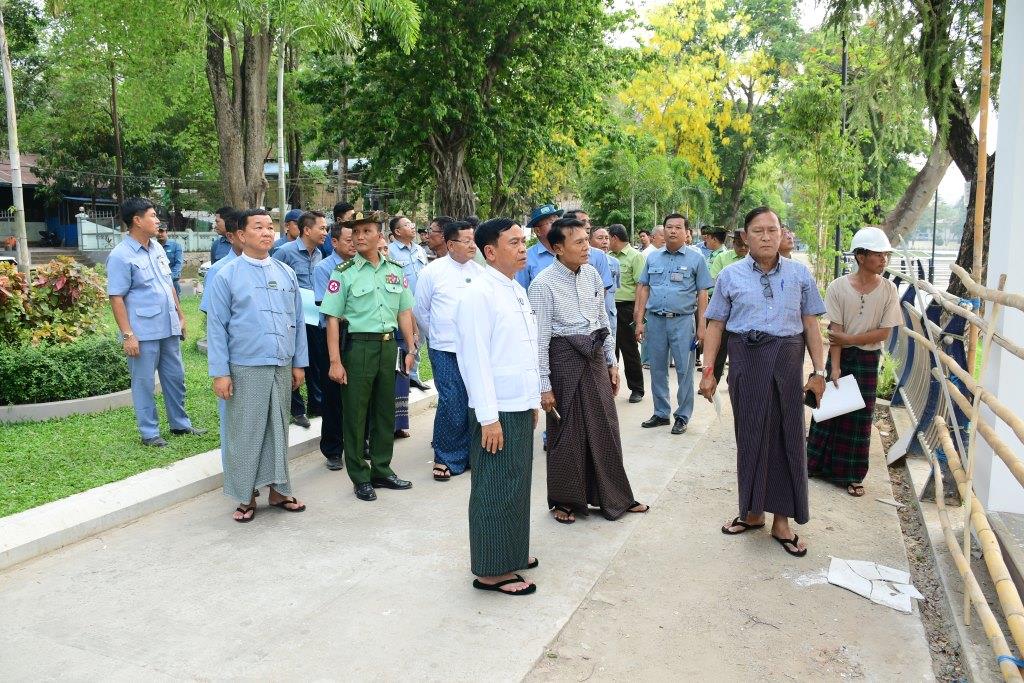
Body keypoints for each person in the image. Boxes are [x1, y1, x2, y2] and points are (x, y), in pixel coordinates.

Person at [699, 206, 827, 558]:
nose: (767, 237)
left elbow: (812, 325)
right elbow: (715, 326)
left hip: (787, 360)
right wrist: (709, 372)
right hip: (746, 361)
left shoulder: (801, 275)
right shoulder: (729, 276)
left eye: (773, 230)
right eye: (758, 231)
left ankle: (782, 521)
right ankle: (753, 512)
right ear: (745, 237)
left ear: (783, 233)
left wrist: (819, 372)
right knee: (750, 435)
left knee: (788, 438)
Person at [529, 218, 648, 524]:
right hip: (563, 360)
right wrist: (544, 386)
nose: (587, 247)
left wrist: (611, 362)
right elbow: (540, 340)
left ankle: (617, 497)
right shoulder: (542, 284)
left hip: (594, 356)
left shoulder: (593, 274)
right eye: (579, 242)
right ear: (558, 248)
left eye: (587, 240)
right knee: (567, 431)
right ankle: (566, 501)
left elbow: (603, 320)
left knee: (606, 426)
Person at [454, 217, 540, 596]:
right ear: (490, 251)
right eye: (514, 242)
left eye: (524, 241)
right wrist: (488, 418)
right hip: (497, 407)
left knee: (517, 482)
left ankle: (511, 552)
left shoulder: (514, 289)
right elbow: (474, 359)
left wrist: (533, 399)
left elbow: (524, 350)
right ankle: (491, 569)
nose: (523, 248)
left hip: (519, 401)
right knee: (494, 486)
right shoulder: (478, 294)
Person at [206, 209, 308, 522]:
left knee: (278, 429)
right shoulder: (226, 274)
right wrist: (220, 372)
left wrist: (299, 363)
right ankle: (245, 496)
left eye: (270, 226)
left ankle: (279, 491)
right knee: (245, 432)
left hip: (280, 363)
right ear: (240, 235)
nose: (266, 232)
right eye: (258, 227)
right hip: (244, 365)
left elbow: (298, 320)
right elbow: (216, 328)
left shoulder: (285, 272)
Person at [320, 211, 416, 502]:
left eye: (366, 231)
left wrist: (411, 349)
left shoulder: (395, 270)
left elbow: (404, 311)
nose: (359, 237)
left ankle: (382, 470)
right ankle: (360, 476)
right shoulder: (344, 272)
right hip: (358, 347)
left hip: (388, 347)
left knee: (385, 411)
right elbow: (332, 319)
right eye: (356, 232)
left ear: (379, 235)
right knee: (356, 413)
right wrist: (335, 361)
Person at [807, 226, 901, 497]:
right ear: (861, 256)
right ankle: (816, 465)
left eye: (886, 256)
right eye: (878, 255)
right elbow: (835, 332)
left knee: (860, 418)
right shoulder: (838, 287)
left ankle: (852, 475)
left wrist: (849, 339)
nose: (883, 260)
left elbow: (884, 332)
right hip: (842, 356)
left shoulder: (889, 290)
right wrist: (834, 367)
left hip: (869, 358)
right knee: (829, 410)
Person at [107, 198, 206, 447]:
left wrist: (180, 314)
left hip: (168, 326)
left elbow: (168, 285)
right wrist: (128, 335)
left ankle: (180, 424)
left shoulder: (158, 248)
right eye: (152, 215)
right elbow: (116, 297)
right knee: (144, 383)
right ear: (137, 220)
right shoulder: (121, 255)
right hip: (143, 331)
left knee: (175, 377)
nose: (157, 220)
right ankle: (149, 433)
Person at [413, 220, 484, 481]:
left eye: (473, 240)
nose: (472, 245)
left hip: (474, 349)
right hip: (444, 348)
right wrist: (439, 336)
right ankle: (446, 457)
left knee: (475, 400)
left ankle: (471, 455)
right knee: (452, 400)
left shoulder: (480, 273)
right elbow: (421, 310)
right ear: (451, 244)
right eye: (466, 241)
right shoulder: (433, 272)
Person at [634, 213, 712, 435]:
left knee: (684, 371)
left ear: (686, 232)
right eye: (669, 226)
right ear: (663, 230)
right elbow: (644, 288)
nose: (673, 231)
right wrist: (639, 321)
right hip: (656, 321)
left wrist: (702, 325)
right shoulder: (653, 258)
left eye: (678, 227)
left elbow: (702, 293)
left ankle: (682, 415)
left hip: (682, 322)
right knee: (657, 369)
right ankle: (661, 413)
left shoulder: (696, 259)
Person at [273, 210, 327, 428]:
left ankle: (317, 403)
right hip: (292, 318)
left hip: (314, 318)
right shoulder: (284, 252)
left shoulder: (319, 253)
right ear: (307, 230)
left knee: (315, 360)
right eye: (321, 228)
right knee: (294, 362)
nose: (325, 232)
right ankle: (297, 409)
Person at [312, 222, 357, 470]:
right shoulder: (324, 268)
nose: (354, 243)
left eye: (356, 239)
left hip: (358, 333)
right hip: (332, 333)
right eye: (349, 239)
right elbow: (325, 305)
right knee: (332, 393)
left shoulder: (361, 264)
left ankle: (359, 444)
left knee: (358, 391)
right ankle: (332, 449)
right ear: (335, 242)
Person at [388, 215, 431, 393]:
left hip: (419, 305)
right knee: (402, 342)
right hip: (401, 306)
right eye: (407, 225)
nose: (412, 226)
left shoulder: (419, 250)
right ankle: (400, 378)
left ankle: (414, 376)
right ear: (397, 231)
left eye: (412, 223)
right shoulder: (390, 251)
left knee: (417, 342)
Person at [607, 224, 646, 403]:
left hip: (626, 308)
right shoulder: (607, 257)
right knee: (609, 349)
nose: (607, 241)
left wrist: (638, 313)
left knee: (629, 350)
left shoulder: (635, 257)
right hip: (608, 307)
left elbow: (641, 286)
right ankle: (608, 387)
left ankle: (637, 388)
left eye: (608, 238)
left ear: (615, 238)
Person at [705, 230, 749, 381]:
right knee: (720, 347)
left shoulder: (755, 261)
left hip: (744, 312)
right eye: (739, 244)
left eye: (746, 245)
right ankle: (713, 379)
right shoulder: (722, 258)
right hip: (724, 309)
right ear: (733, 243)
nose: (743, 248)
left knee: (742, 350)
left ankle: (736, 379)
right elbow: (714, 281)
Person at [590, 226, 619, 331]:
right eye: (600, 238)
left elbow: (613, 290)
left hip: (609, 314)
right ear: (589, 240)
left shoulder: (615, 263)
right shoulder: (585, 263)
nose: (605, 241)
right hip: (592, 316)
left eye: (607, 238)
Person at [156, 224, 184, 295]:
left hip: (172, 280)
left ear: (166, 232)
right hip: (157, 281)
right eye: (158, 231)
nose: (159, 234)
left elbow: (178, 264)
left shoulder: (175, 246)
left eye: (162, 231)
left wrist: (170, 278)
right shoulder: (152, 247)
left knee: (175, 304)